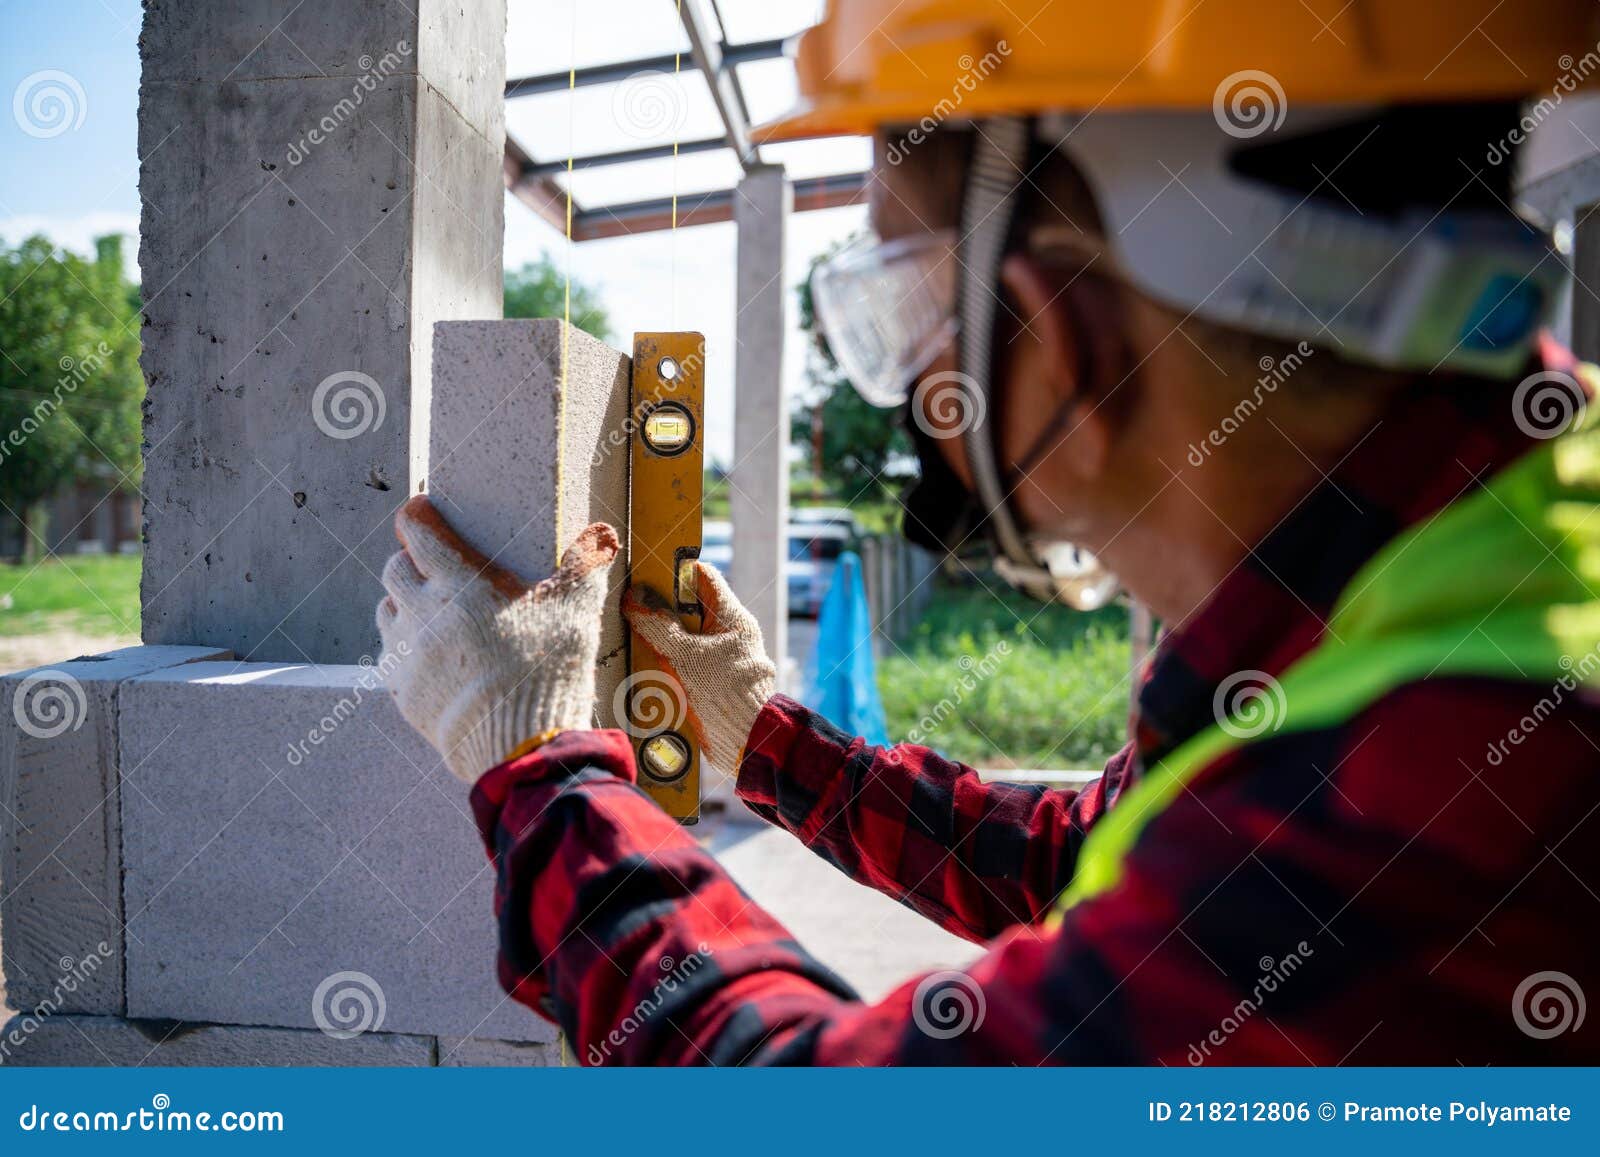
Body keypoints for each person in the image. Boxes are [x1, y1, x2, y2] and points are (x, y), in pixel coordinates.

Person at [376, 0, 1600, 1063]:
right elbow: (1095, 867)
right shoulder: (1468, 568)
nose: (917, 395)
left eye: (901, 315)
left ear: (1055, 335)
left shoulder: (1449, 771)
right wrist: (765, 734)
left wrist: (536, 763)